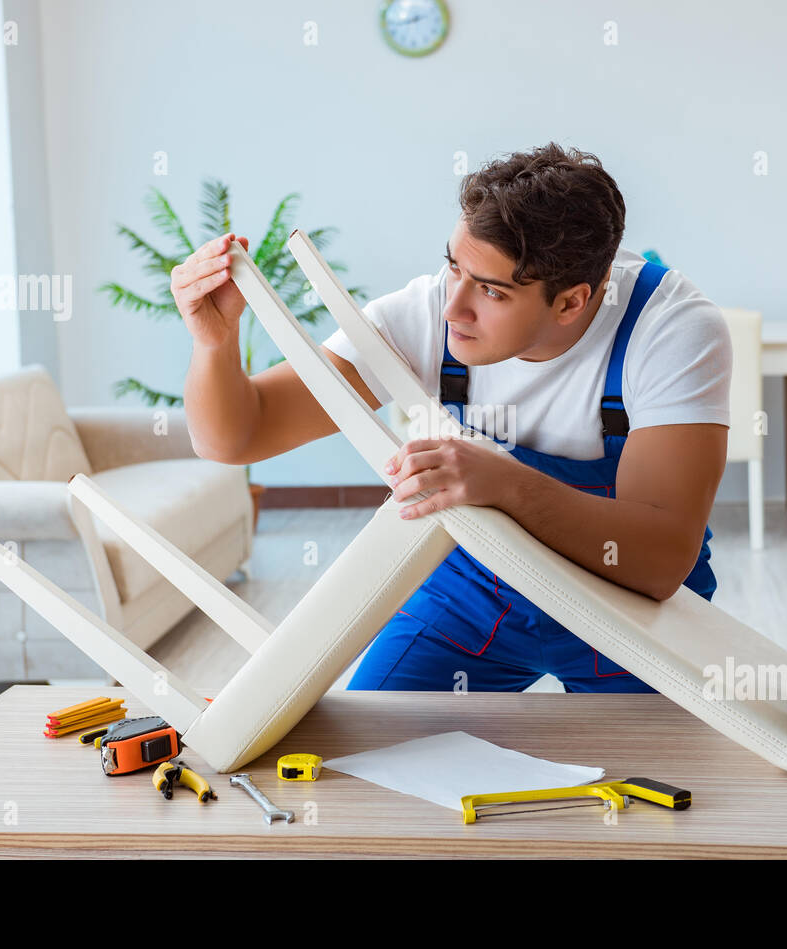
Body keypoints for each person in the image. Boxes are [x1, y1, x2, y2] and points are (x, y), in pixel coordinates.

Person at [174, 143, 731, 693]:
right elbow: (240, 435)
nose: (453, 307)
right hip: (472, 590)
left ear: (570, 302)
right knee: (372, 752)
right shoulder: (429, 310)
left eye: (491, 291)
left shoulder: (670, 329)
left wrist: (505, 482)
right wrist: (213, 344)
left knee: (658, 776)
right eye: (453, 266)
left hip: (626, 601)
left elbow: (660, 560)